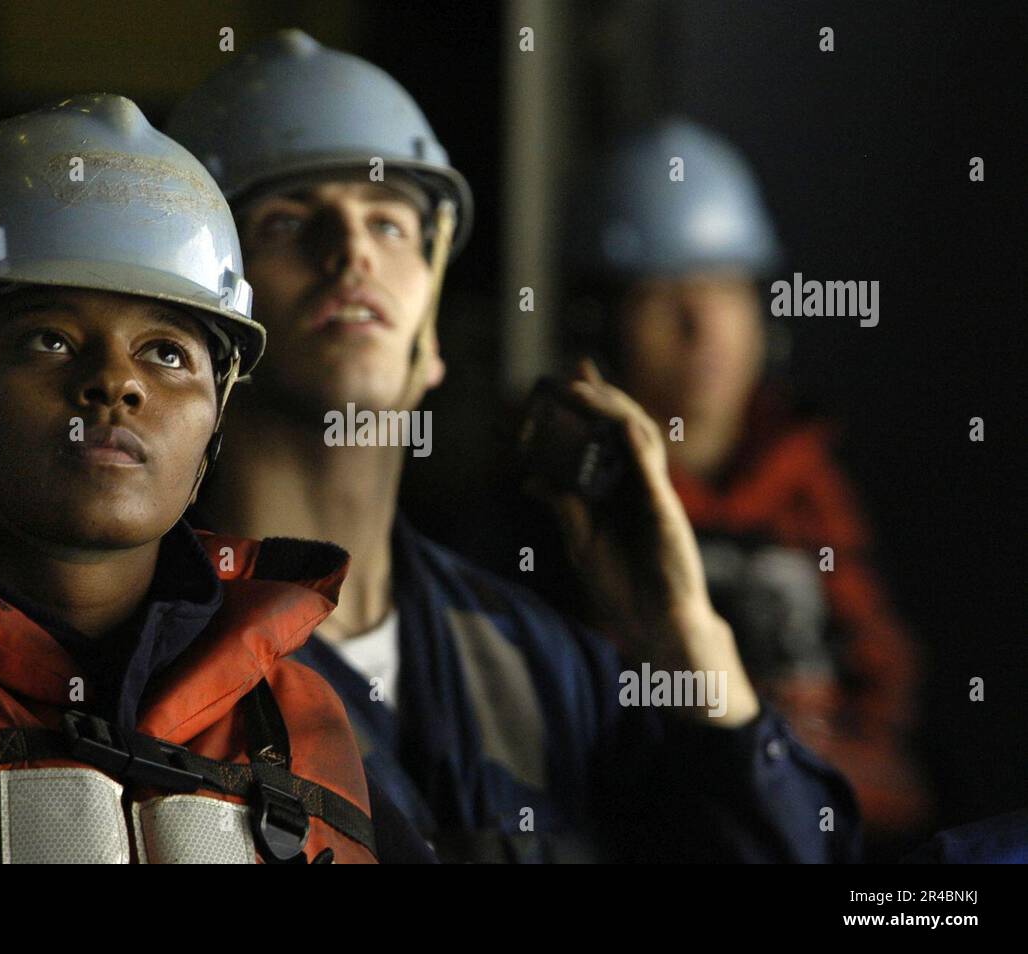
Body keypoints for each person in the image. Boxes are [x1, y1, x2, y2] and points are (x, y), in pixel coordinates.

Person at [168, 30, 860, 862]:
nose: (351, 250)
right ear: (204, 326)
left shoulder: (538, 661)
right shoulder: (154, 657)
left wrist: (687, 643)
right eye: (286, 221)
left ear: (434, 340)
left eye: (389, 224)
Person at [0, 94, 428, 864]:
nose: (114, 385)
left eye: (166, 353)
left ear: (217, 423)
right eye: (49, 339)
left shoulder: (305, 724)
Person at [563, 117, 931, 850]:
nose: (703, 326)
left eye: (725, 288)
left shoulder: (821, 484)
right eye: (663, 294)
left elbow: (893, 707)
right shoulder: (566, 511)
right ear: (604, 323)